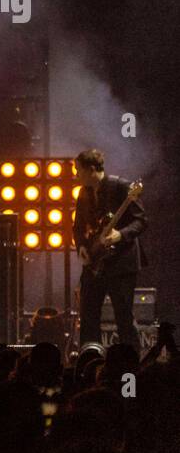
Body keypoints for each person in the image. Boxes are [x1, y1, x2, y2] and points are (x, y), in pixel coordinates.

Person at [73, 148, 146, 350]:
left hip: (121, 263)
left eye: (78, 170)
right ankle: (90, 361)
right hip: (95, 263)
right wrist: (81, 247)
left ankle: (131, 364)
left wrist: (120, 235)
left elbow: (141, 221)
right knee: (88, 315)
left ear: (91, 169)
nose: (76, 175)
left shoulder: (121, 187)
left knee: (123, 315)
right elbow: (78, 227)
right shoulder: (83, 192)